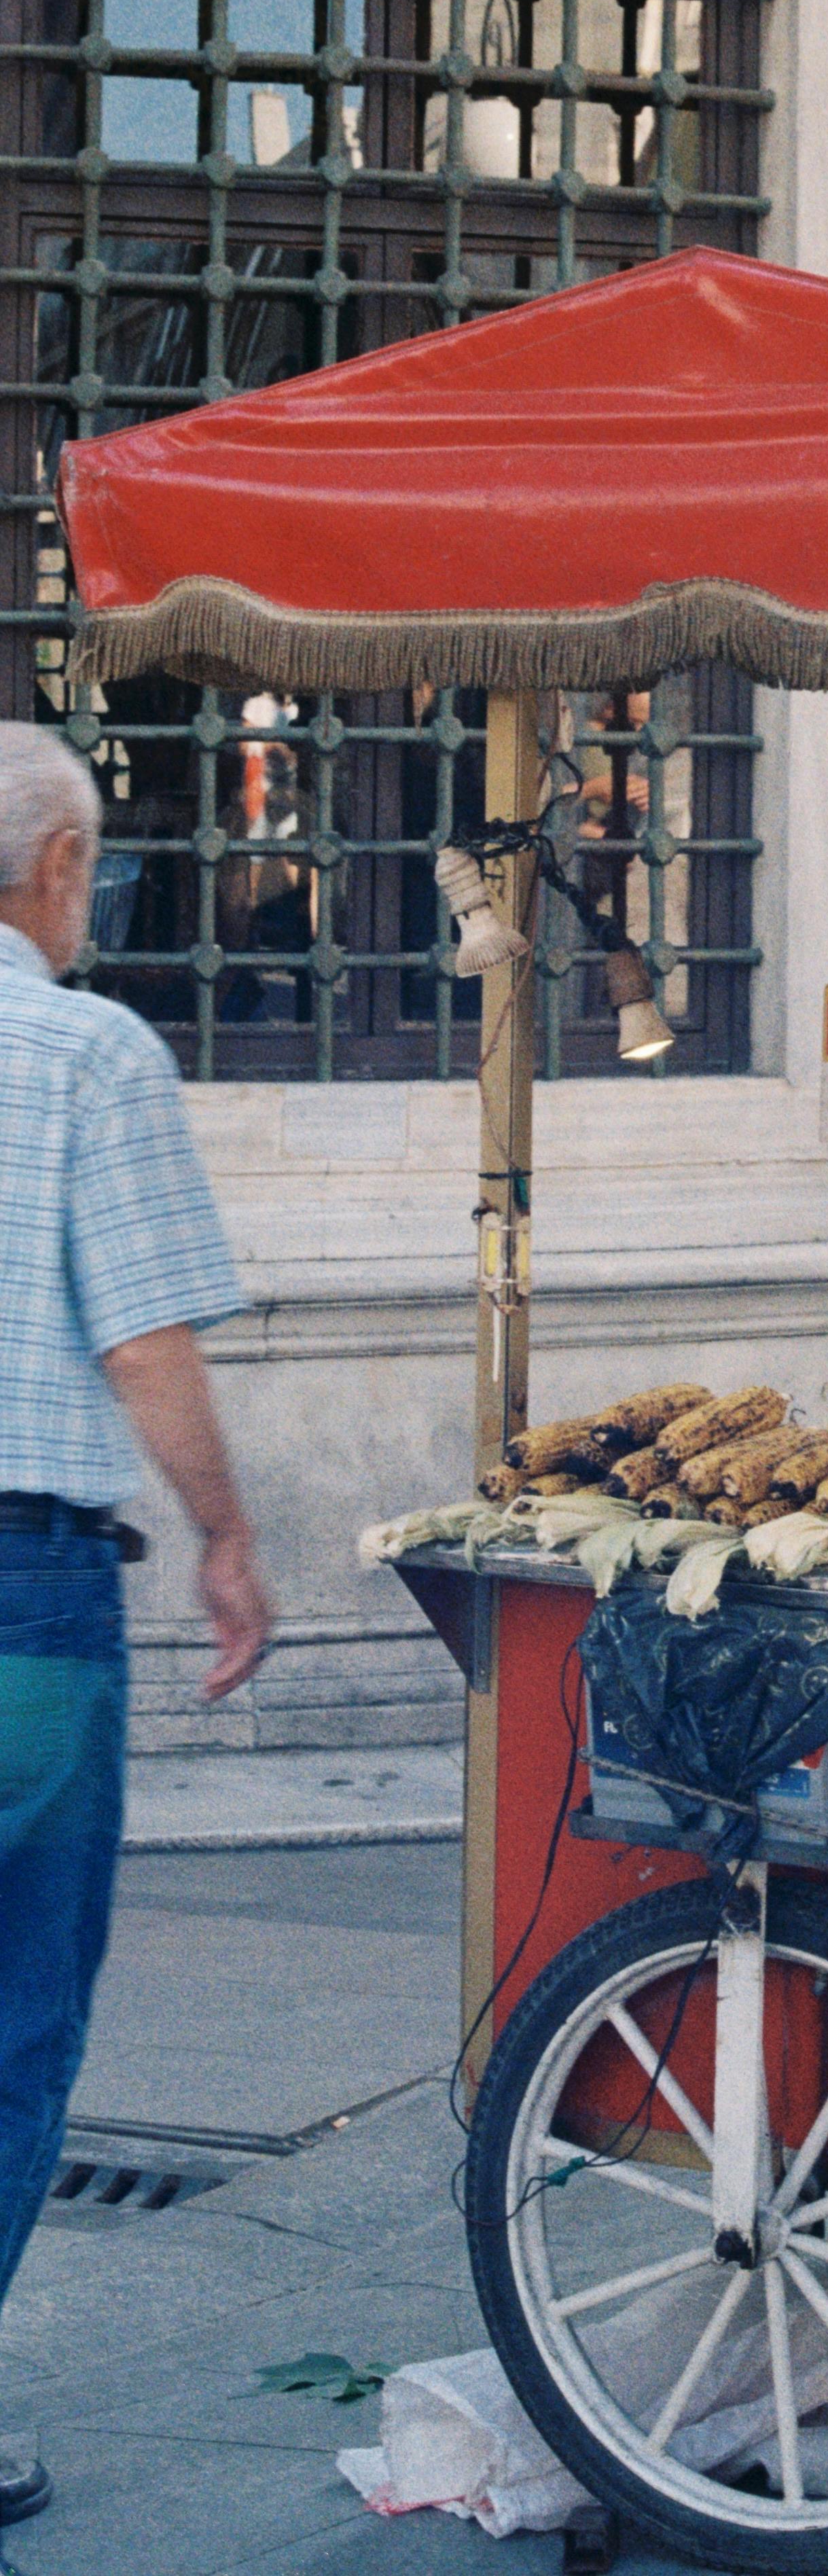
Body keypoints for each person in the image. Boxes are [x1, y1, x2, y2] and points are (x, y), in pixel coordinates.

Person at [0, 728, 269, 2535]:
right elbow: (145, 1344)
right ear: (62, 869)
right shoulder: (85, 1050)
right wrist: (230, 1535)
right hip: (23, 1600)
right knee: (14, 2014)